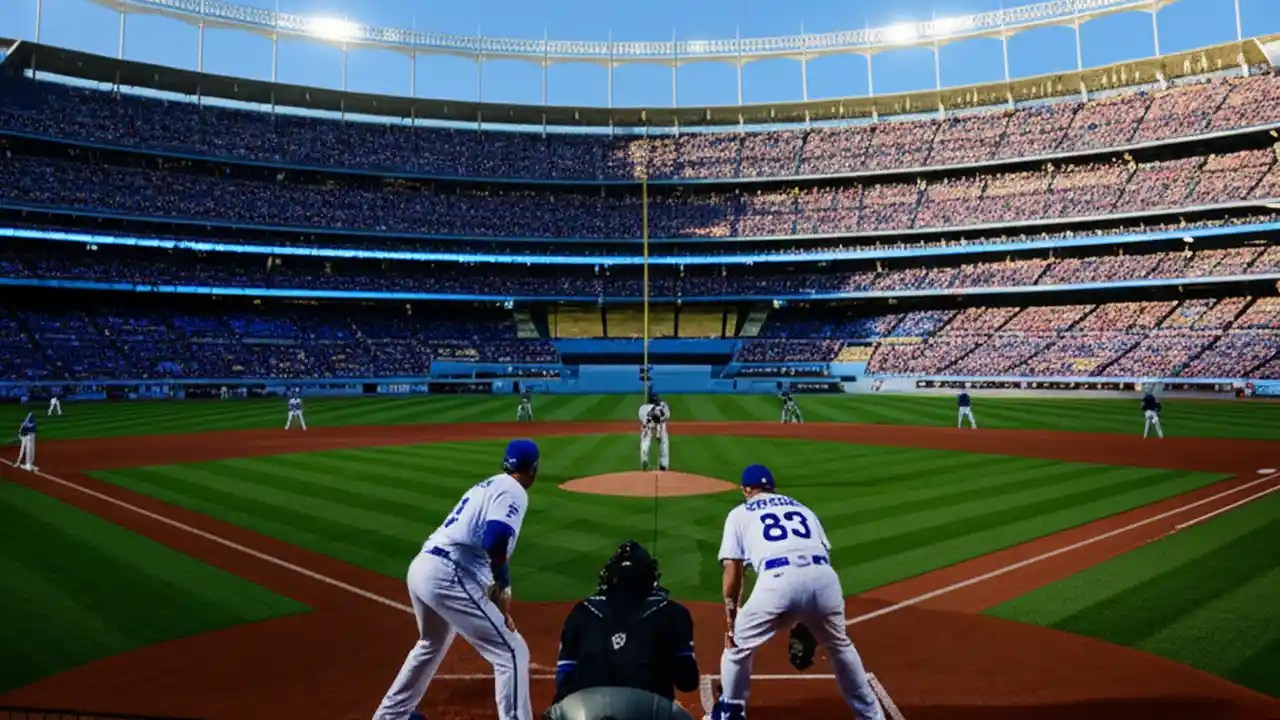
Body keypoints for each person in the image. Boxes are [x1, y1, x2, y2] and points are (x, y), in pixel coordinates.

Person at [373, 439, 540, 720]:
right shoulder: (514, 491)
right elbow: (496, 537)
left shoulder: (488, 485)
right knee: (512, 652)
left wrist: (497, 600)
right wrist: (503, 584)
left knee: (432, 643)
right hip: (448, 573)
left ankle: (390, 717)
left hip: (423, 567)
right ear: (533, 470)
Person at [711, 464, 884, 720]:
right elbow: (821, 553)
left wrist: (731, 618)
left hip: (778, 581)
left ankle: (730, 712)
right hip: (824, 578)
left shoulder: (740, 513)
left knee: (736, 646)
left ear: (746, 490)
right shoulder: (802, 508)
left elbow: (733, 570)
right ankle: (872, 715)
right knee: (840, 646)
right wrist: (807, 618)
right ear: (773, 488)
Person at [543, 541, 698, 720]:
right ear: (650, 578)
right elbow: (687, 682)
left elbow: (563, 681)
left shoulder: (583, 611)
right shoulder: (673, 612)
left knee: (555, 713)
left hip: (586, 712)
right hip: (648, 712)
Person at [638, 392, 670, 472]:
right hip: (659, 426)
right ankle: (663, 464)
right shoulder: (663, 406)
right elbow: (667, 416)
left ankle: (644, 460)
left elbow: (641, 418)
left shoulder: (643, 408)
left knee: (645, 442)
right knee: (664, 443)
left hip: (649, 425)